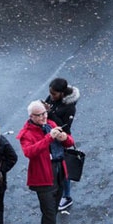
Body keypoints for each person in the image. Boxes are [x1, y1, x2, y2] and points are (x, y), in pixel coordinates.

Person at [18, 100, 74, 224]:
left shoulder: (51, 124)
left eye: (44, 113)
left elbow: (70, 141)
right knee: (50, 218)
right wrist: (48, 138)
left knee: (50, 213)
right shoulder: (26, 133)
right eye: (39, 115)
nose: (43, 117)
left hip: (57, 174)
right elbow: (30, 152)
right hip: (43, 180)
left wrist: (64, 138)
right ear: (31, 117)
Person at [43, 78, 79, 210]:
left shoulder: (69, 107)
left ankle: (67, 196)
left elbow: (65, 127)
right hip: (50, 137)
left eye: (54, 94)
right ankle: (58, 190)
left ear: (62, 93)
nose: (51, 97)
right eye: (50, 93)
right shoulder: (52, 99)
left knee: (64, 169)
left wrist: (50, 113)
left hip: (61, 139)